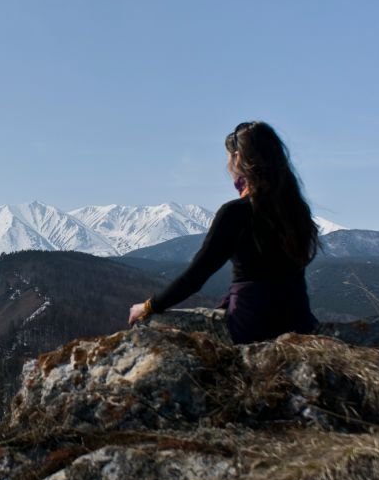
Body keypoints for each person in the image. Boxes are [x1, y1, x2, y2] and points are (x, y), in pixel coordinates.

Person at [127, 121, 320, 344]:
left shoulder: (236, 212)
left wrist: (149, 306)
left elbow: (195, 277)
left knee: (148, 323)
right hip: (299, 322)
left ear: (238, 158)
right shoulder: (297, 210)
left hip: (250, 326)